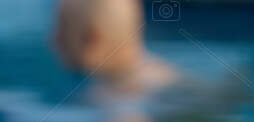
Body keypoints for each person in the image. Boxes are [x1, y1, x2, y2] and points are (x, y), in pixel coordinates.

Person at [49, 0, 181, 94]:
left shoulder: (113, 94)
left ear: (92, 39)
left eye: (62, 28)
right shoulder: (162, 73)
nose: (53, 40)